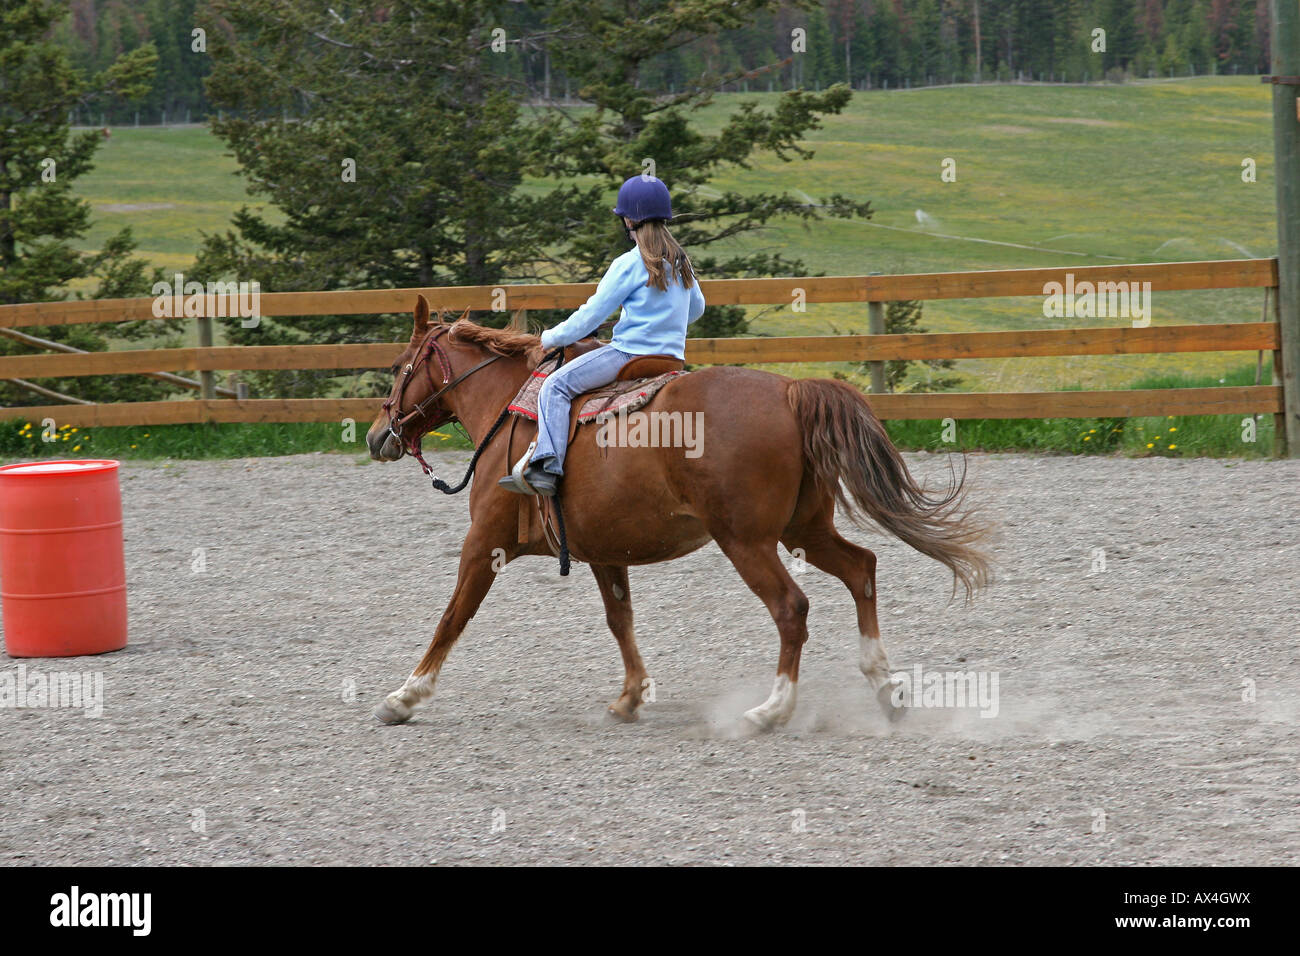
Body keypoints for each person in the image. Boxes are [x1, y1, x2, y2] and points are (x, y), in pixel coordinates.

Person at [501, 174, 705, 497]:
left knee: (554, 387)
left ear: (629, 220)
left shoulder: (629, 263)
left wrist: (550, 338)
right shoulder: (681, 262)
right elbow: (697, 310)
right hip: (671, 359)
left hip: (628, 355)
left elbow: (591, 315)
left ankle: (546, 467)